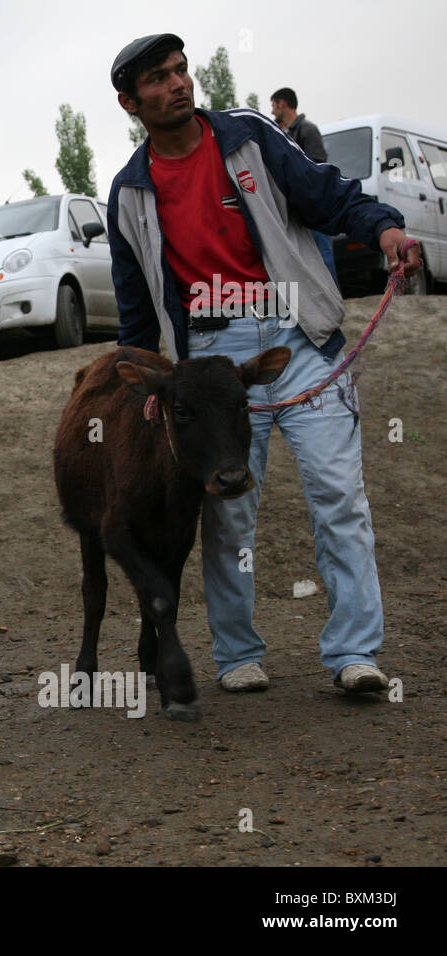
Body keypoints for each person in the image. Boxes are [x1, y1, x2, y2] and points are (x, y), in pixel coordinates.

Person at [105, 33, 423, 696]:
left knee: (338, 495)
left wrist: (385, 228)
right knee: (226, 511)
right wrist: (141, 387)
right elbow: (135, 311)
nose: (177, 84)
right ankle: (238, 654)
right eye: (157, 80)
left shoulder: (249, 136)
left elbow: (329, 195)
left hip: (297, 335)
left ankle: (354, 654)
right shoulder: (129, 192)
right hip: (207, 363)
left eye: (179, 70)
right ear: (130, 102)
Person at [270, 87, 339, 281]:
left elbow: (318, 165)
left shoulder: (307, 130)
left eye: (273, 105)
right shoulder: (283, 133)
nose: (272, 111)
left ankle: (332, 304)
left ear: (282, 103)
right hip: (295, 209)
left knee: (322, 256)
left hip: (313, 207)